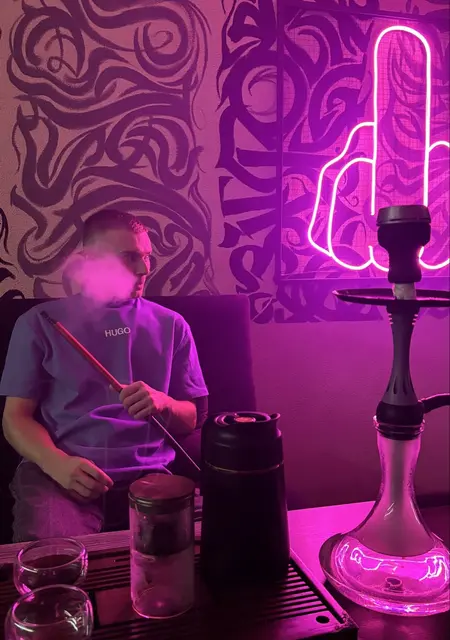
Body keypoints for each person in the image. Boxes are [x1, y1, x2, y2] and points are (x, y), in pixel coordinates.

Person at [0, 209, 208, 542]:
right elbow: (15, 419)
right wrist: (57, 464)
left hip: (151, 475)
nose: (144, 269)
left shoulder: (172, 325)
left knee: (214, 549)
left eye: (146, 256)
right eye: (128, 257)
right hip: (62, 475)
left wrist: (164, 403)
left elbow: (192, 419)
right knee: (53, 564)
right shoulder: (39, 323)